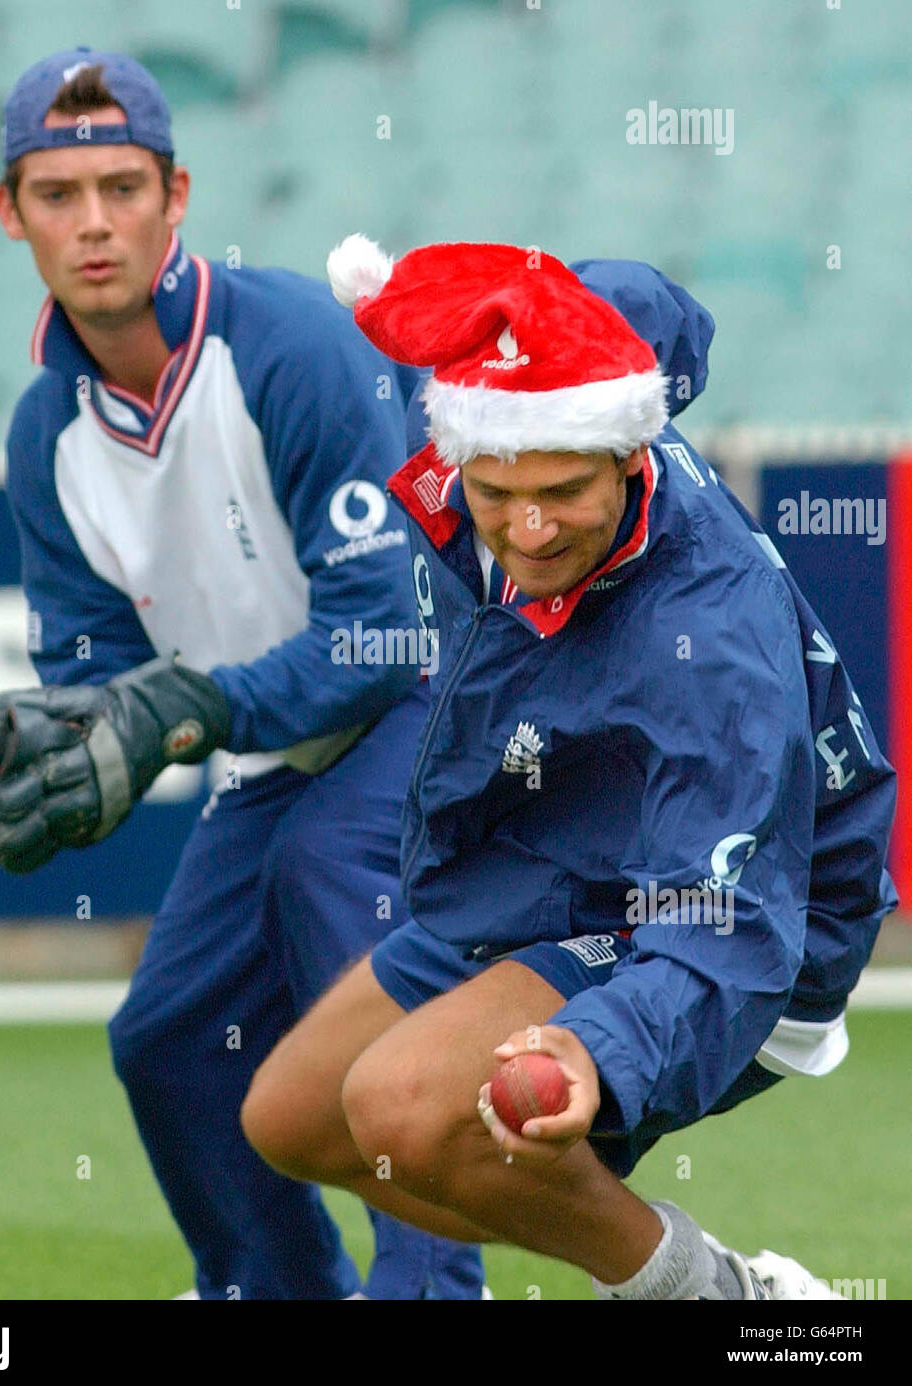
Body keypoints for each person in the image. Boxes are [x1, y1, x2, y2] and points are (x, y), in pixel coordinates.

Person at [0, 47, 489, 1300]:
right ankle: (274, 1287)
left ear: (177, 195)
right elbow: (94, 666)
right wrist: (43, 747)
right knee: (168, 1038)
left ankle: (436, 1290)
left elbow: (379, 632)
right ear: (9, 212)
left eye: (122, 186)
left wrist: (191, 711)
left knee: (353, 962)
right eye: (57, 195)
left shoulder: (287, 344)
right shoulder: (43, 431)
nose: (95, 222)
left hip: (417, 712)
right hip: (276, 749)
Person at [240, 236, 898, 1301]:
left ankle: (728, 1301)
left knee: (401, 1109)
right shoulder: (531, 395)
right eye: (496, 492)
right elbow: (621, 302)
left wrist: (598, 1051)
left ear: (634, 455)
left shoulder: (710, 645)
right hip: (561, 863)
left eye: (560, 491)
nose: (529, 528)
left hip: (733, 921)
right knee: (293, 1119)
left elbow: (723, 921)